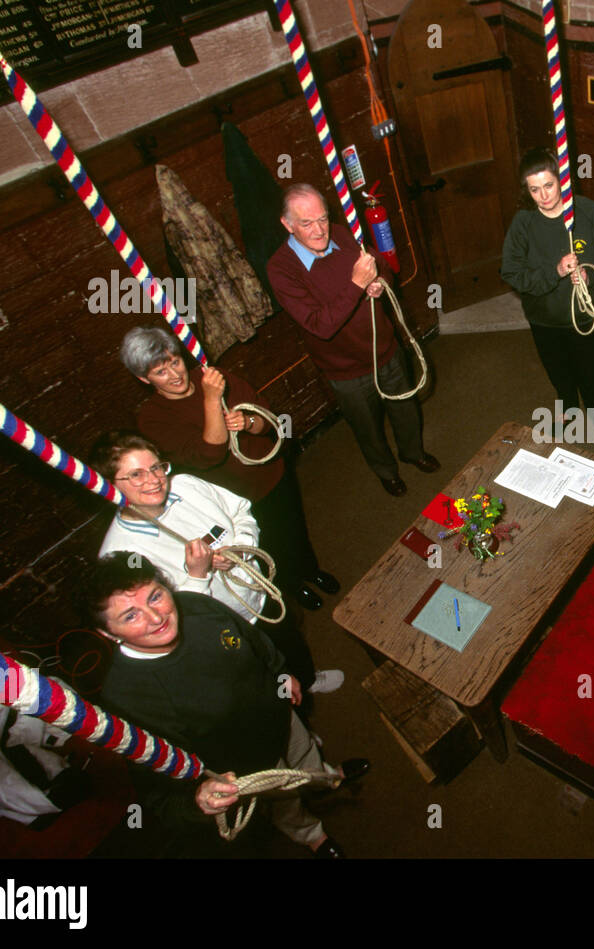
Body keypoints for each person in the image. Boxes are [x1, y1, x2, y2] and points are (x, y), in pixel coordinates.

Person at [80, 555, 369, 857]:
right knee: (285, 802)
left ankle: (326, 780)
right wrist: (197, 801)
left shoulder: (194, 607)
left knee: (306, 752)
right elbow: (158, 794)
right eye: (130, 616)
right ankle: (312, 835)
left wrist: (281, 672)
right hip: (250, 764)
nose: (156, 617)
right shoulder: (126, 699)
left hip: (279, 712)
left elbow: (249, 639)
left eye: (155, 596)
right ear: (108, 633)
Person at [91, 430, 341, 696]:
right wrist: (198, 574)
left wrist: (239, 550)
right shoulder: (121, 555)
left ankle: (307, 679)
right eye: (136, 474)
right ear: (109, 485)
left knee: (288, 641)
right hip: (222, 630)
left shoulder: (185, 485)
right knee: (260, 679)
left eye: (156, 467)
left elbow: (240, 511)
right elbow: (160, 620)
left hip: (257, 595)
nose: (154, 480)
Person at [120, 325, 338, 612]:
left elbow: (271, 420)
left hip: (270, 473)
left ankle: (310, 569)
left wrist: (249, 422)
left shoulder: (212, 376)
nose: (175, 375)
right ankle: (291, 585)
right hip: (234, 497)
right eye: (161, 372)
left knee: (293, 528)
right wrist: (211, 399)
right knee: (265, 544)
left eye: (175, 361)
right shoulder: (153, 418)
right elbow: (209, 454)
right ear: (143, 378)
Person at [267, 183, 438, 497]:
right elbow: (320, 325)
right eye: (307, 224)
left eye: (322, 218)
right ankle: (386, 472)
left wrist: (378, 282)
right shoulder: (281, 269)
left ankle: (413, 452)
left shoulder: (342, 234)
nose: (320, 231)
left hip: (386, 349)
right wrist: (357, 285)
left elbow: (384, 269)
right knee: (368, 428)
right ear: (287, 225)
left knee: (405, 409)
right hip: (345, 370)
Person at [500, 148, 594, 446]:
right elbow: (511, 272)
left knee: (592, 373)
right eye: (534, 189)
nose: (543, 196)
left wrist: (591, 275)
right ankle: (568, 408)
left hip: (588, 316)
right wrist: (554, 271)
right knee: (558, 370)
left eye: (548, 185)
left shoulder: (590, 213)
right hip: (545, 318)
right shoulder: (523, 223)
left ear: (562, 180)